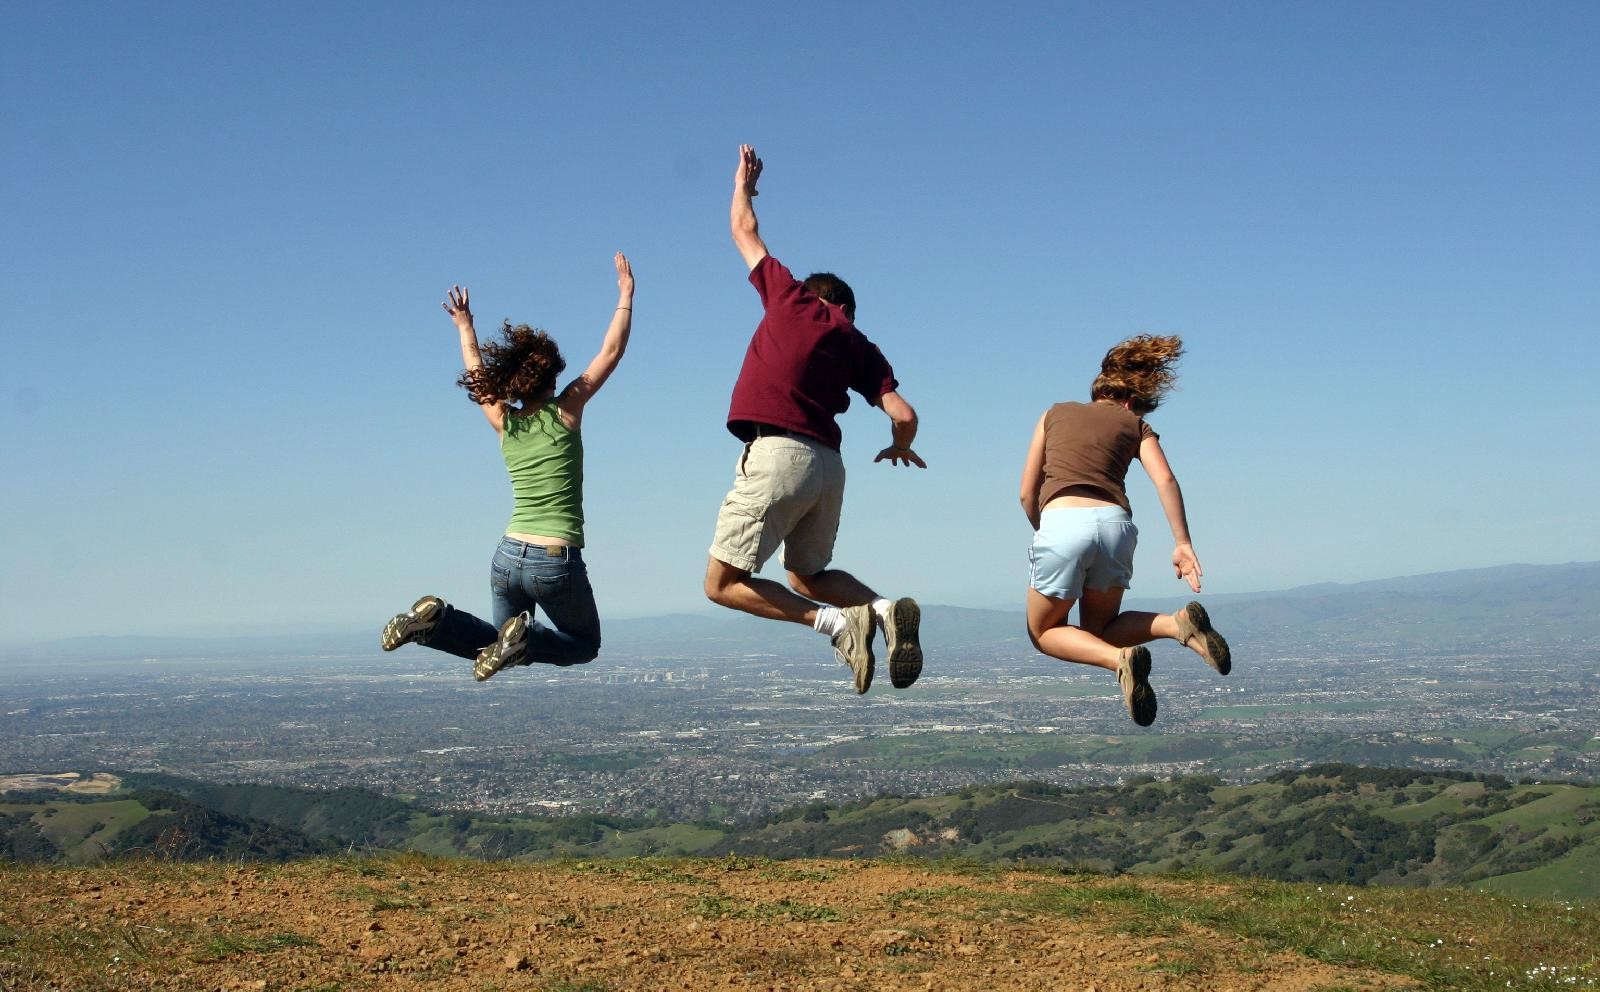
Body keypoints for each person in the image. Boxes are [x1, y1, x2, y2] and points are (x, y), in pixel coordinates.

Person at [703, 144, 925, 694]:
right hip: (829, 466)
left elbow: (742, 230)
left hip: (779, 454)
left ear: (819, 297)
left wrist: (744, 187)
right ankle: (883, 609)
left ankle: (835, 624)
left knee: (722, 584)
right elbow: (903, 412)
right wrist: (900, 445)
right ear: (850, 308)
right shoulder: (860, 345)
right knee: (809, 574)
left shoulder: (793, 299)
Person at [380, 253, 635, 681]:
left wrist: (465, 327)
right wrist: (625, 294)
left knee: (498, 644)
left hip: (507, 555)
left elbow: (477, 373)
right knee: (583, 646)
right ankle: (524, 641)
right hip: (554, 560)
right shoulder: (567, 411)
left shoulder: (505, 421)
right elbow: (612, 350)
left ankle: (436, 623)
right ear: (553, 377)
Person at [1018, 334, 1230, 726]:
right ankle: (1175, 624)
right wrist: (1182, 543)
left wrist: (1048, 530)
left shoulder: (1054, 414)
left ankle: (1121, 662)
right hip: (1116, 527)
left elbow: (1027, 493)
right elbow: (1165, 479)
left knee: (1044, 631)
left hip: (1063, 521)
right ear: (1132, 400)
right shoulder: (1136, 425)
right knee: (1100, 628)